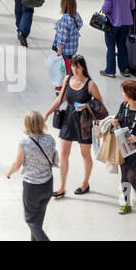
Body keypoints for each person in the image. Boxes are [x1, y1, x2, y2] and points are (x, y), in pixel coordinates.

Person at [43, 55, 105, 198]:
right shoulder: (67, 79)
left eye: (77, 66)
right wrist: (47, 113)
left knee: (85, 154)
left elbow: (100, 103)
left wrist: (86, 105)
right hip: (69, 119)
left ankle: (85, 183)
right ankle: (62, 187)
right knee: (63, 153)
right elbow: (60, 98)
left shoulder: (90, 84)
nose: (74, 69)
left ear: (83, 67)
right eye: (72, 66)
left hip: (84, 121)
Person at [5, 111, 57, 240]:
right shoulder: (50, 139)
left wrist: (9, 172)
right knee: (38, 220)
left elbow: (17, 164)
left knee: (31, 221)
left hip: (32, 187)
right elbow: (55, 159)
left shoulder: (24, 143)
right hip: (47, 185)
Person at [110, 80, 136, 214]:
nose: (121, 94)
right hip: (124, 147)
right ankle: (126, 203)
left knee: (131, 176)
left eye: (123, 91)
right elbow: (117, 120)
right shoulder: (124, 106)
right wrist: (115, 122)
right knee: (124, 176)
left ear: (129, 93)